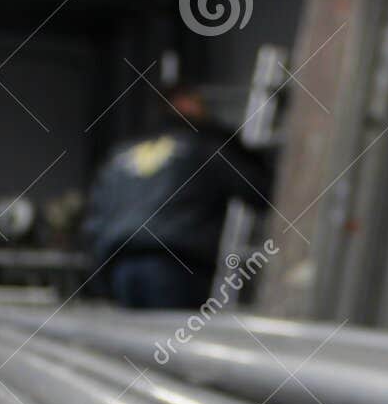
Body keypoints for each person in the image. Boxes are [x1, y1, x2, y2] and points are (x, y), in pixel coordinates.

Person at [84, 87, 270, 309]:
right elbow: (258, 190)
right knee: (174, 330)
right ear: (183, 103)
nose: (205, 110)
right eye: (198, 102)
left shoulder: (122, 153)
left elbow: (95, 219)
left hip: (121, 266)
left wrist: (99, 276)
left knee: (133, 331)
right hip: (175, 264)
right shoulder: (202, 144)